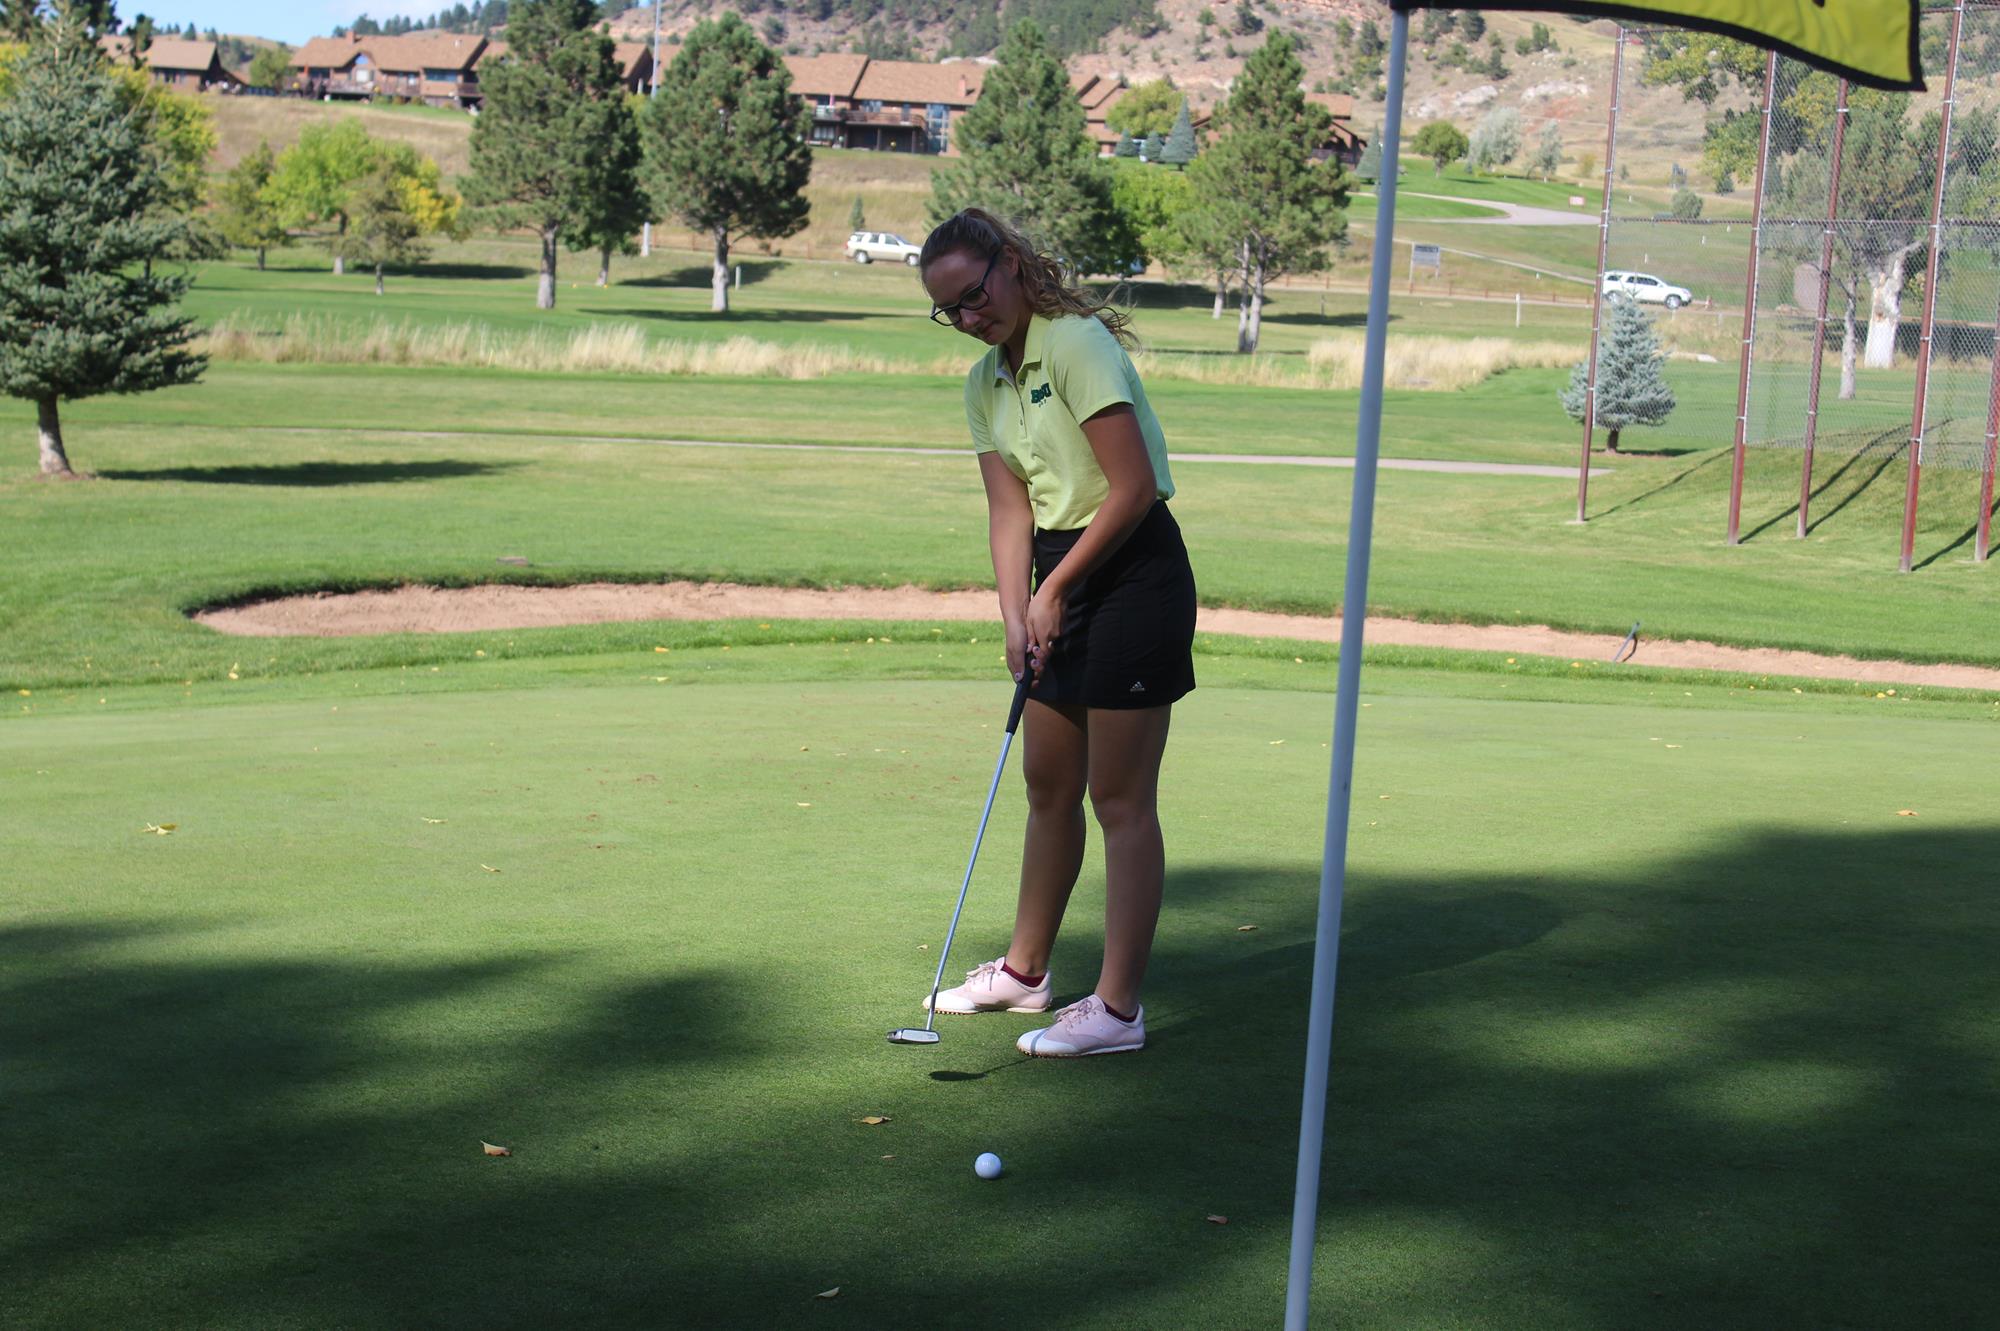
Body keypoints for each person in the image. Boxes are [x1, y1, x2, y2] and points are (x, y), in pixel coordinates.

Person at [916, 208, 1197, 1058]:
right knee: (1047, 782)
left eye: (975, 295)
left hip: (1132, 570)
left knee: (1118, 797)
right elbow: (1008, 510)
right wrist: (1015, 608)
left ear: (1008, 265)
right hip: (1055, 573)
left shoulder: (1073, 344)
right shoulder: (983, 384)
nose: (970, 318)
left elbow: (1133, 488)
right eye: (950, 311)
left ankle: (1116, 1009)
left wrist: (1058, 589)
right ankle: (1026, 971)